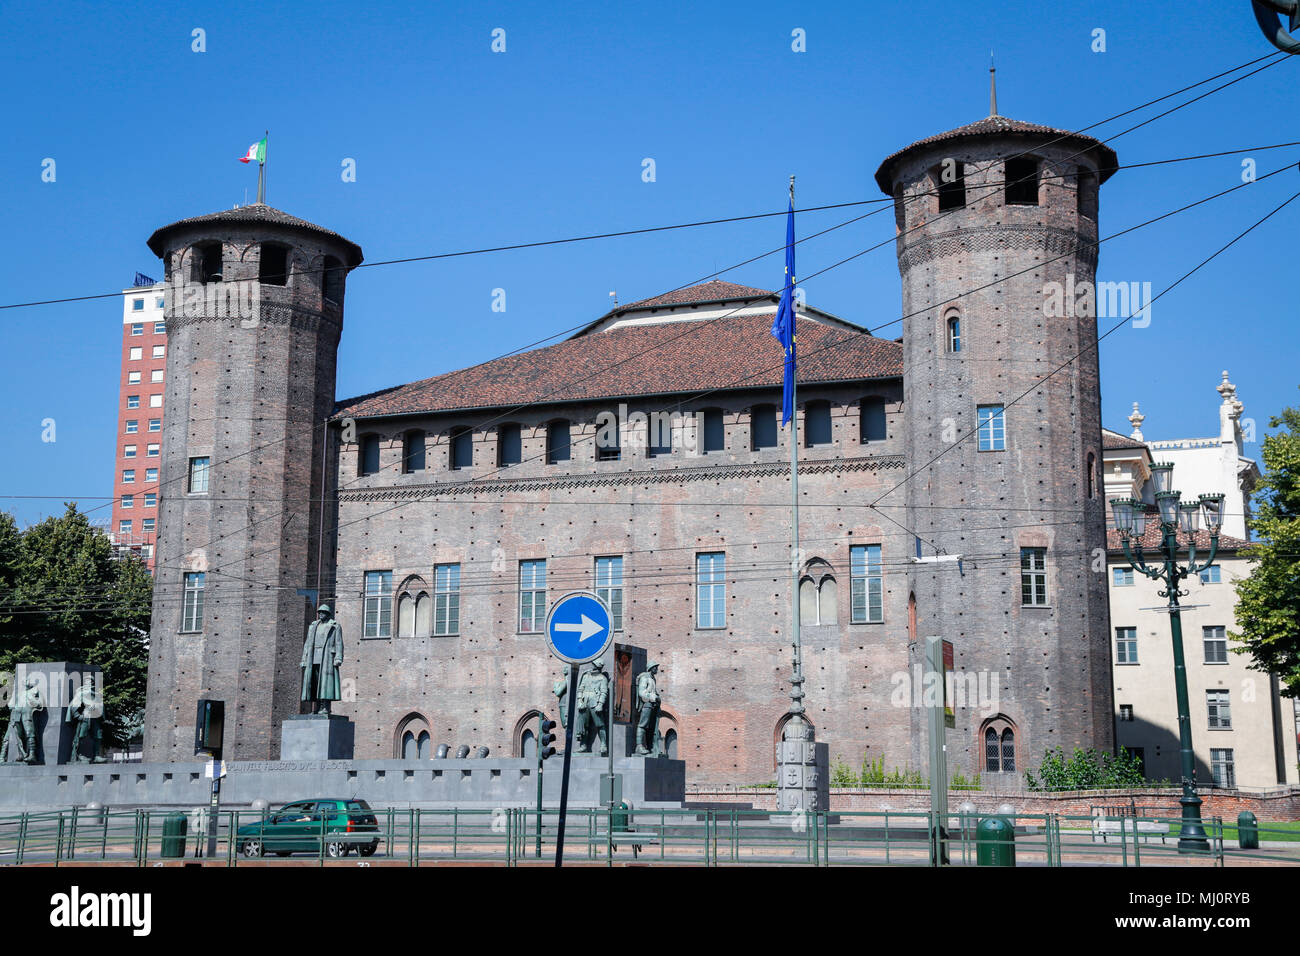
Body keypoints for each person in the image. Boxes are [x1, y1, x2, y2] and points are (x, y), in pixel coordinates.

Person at [300, 604, 344, 714]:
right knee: (314, 683)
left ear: (328, 614)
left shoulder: (334, 626)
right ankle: (316, 707)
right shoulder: (313, 626)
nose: (320, 614)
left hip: (327, 658)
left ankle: (325, 707)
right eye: (319, 612)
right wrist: (304, 658)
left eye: (323, 612)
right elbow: (307, 643)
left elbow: (339, 643)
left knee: (325, 684)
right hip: (313, 657)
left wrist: (338, 657)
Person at [574, 661, 609, 755]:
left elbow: (603, 692)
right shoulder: (586, 676)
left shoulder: (602, 678)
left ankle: (603, 744)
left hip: (595, 703)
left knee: (600, 724)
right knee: (583, 726)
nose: (592, 667)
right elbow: (580, 689)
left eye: (594, 665)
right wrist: (579, 701)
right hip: (584, 703)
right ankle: (583, 745)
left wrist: (600, 704)